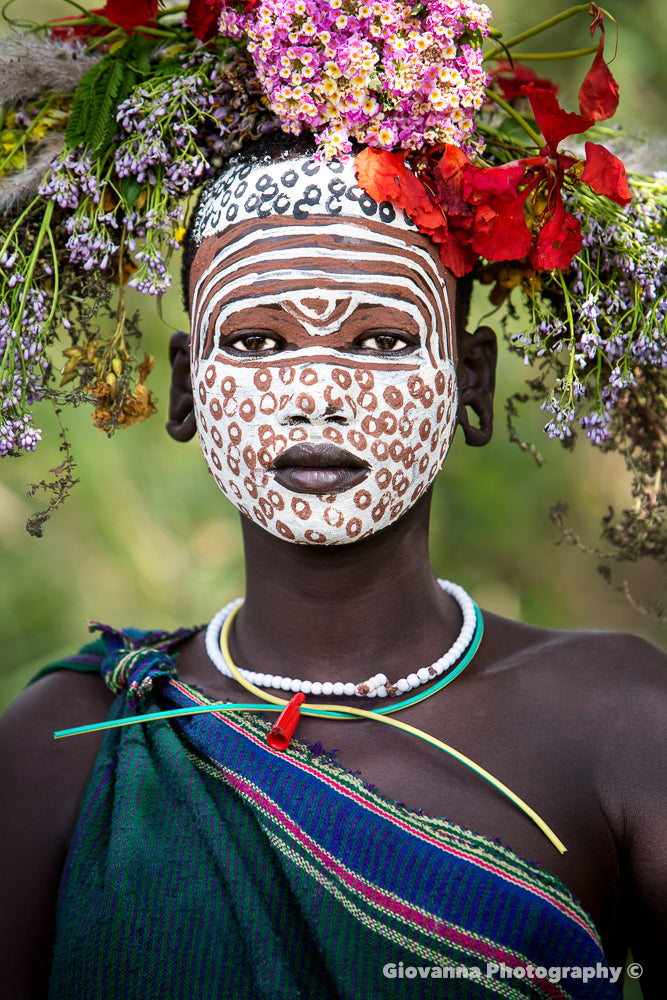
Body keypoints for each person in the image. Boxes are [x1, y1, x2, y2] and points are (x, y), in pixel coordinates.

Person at [1, 132, 665, 999]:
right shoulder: (72, 739)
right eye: (258, 343)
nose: (317, 393)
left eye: (382, 342)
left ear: (468, 380)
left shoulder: (619, 722)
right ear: (184, 387)